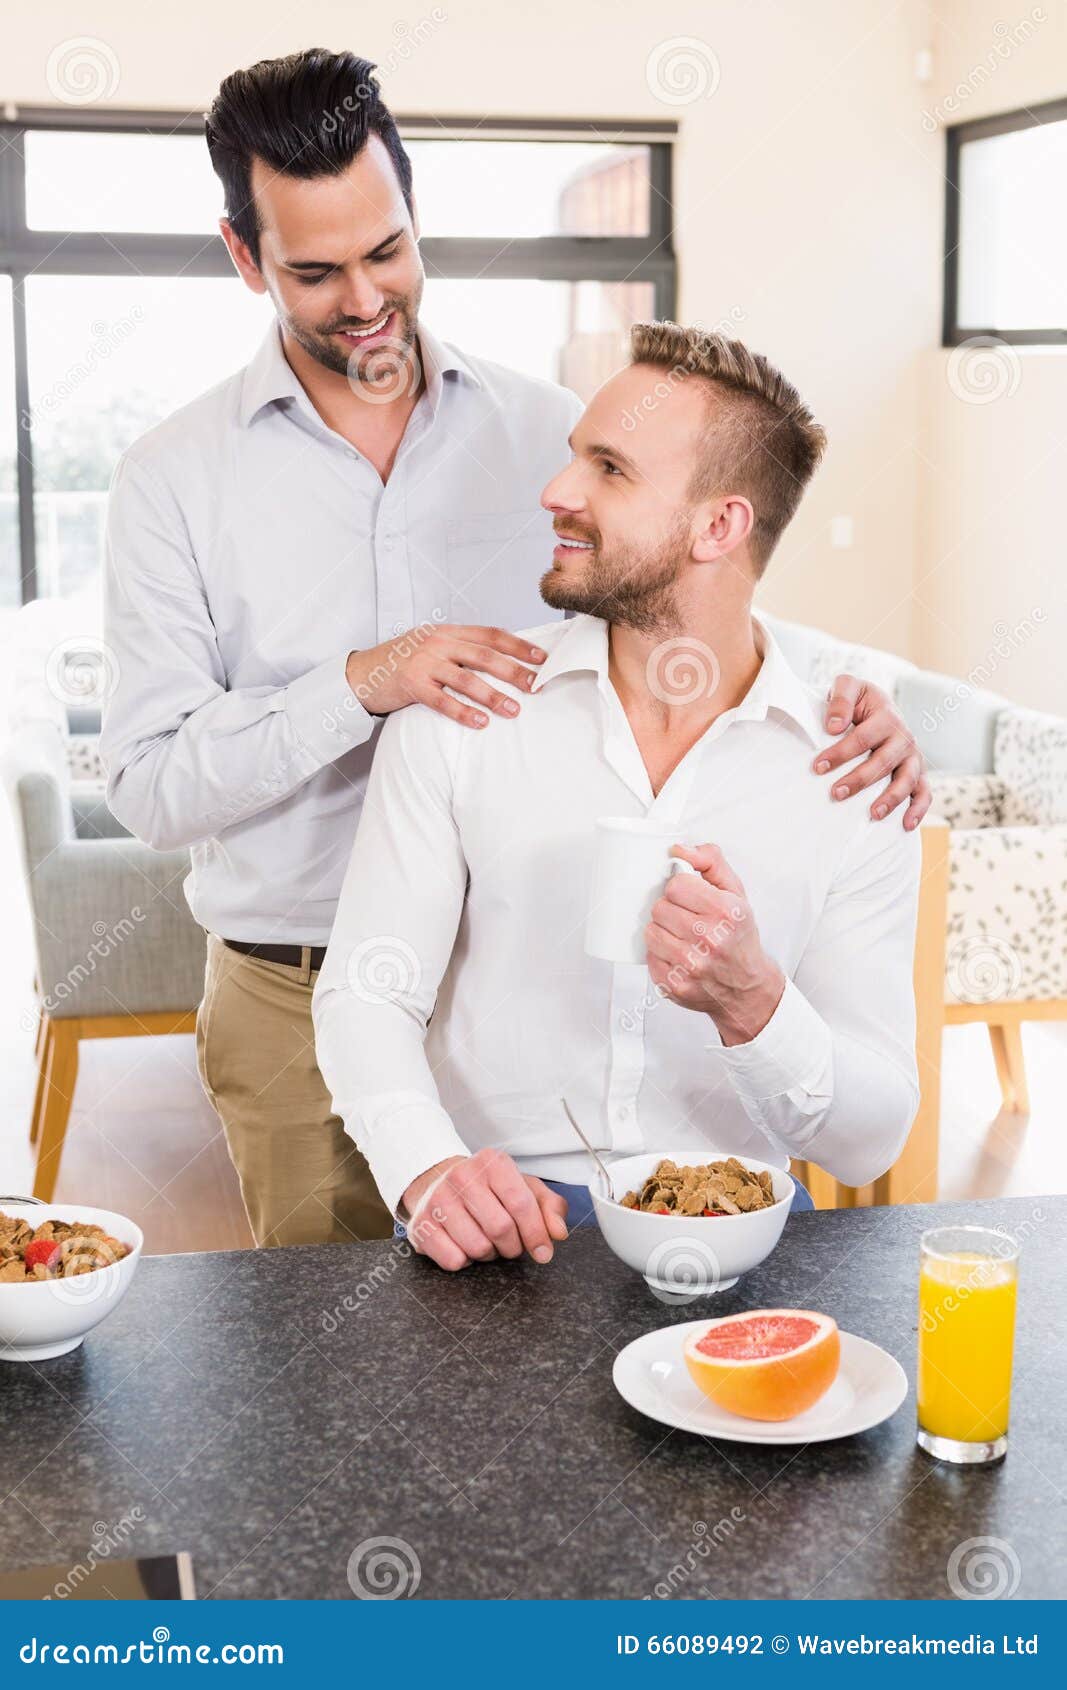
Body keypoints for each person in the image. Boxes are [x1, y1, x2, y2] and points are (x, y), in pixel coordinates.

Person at [101, 47, 928, 1253]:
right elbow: (150, 785)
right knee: (343, 1372)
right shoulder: (174, 480)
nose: (367, 296)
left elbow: (680, 583)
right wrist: (361, 685)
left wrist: (855, 698)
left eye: (386, 250)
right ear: (245, 258)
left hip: (508, 965)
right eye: (317, 270)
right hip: (296, 985)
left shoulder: (545, 429)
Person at [313, 324, 923, 1273]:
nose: (558, 492)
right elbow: (367, 992)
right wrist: (429, 1173)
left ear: (716, 527)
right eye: (572, 458)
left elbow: (870, 1138)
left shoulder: (851, 776)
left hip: (742, 1224)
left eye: (609, 469)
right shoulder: (464, 713)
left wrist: (756, 1004)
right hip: (508, 1219)